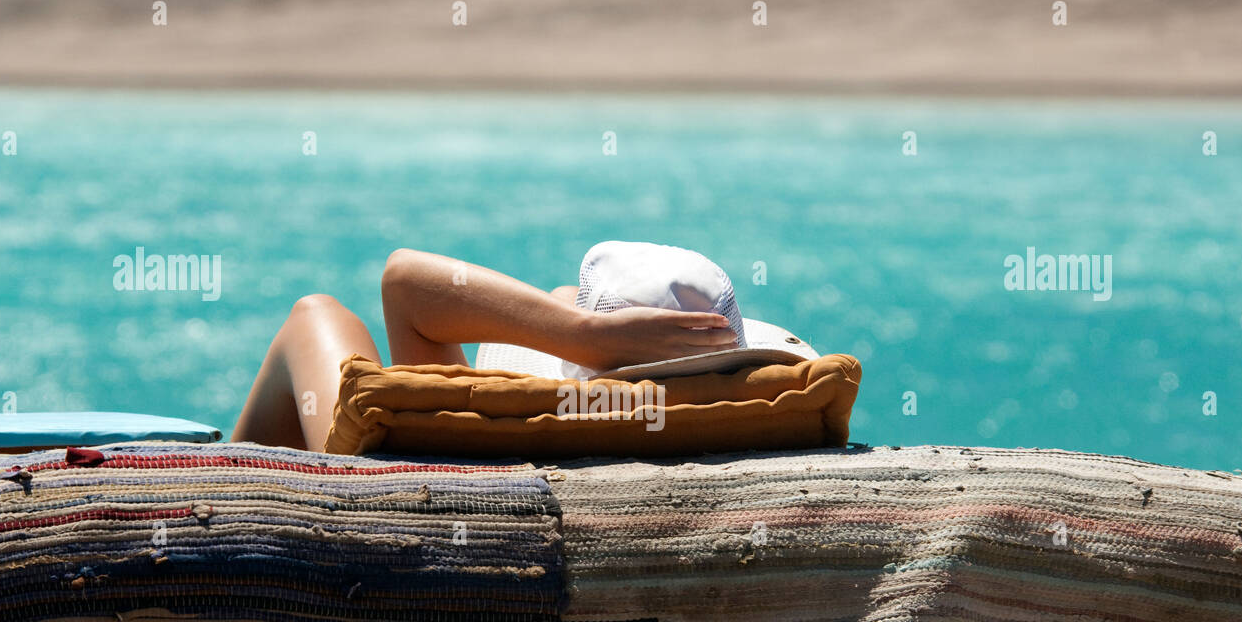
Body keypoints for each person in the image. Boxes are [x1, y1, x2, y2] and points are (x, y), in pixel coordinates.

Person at [233, 243, 817, 452]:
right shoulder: (743, 410)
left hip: (377, 486)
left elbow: (403, 279)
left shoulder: (491, 416)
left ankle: (211, 497)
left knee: (319, 313)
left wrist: (581, 334)